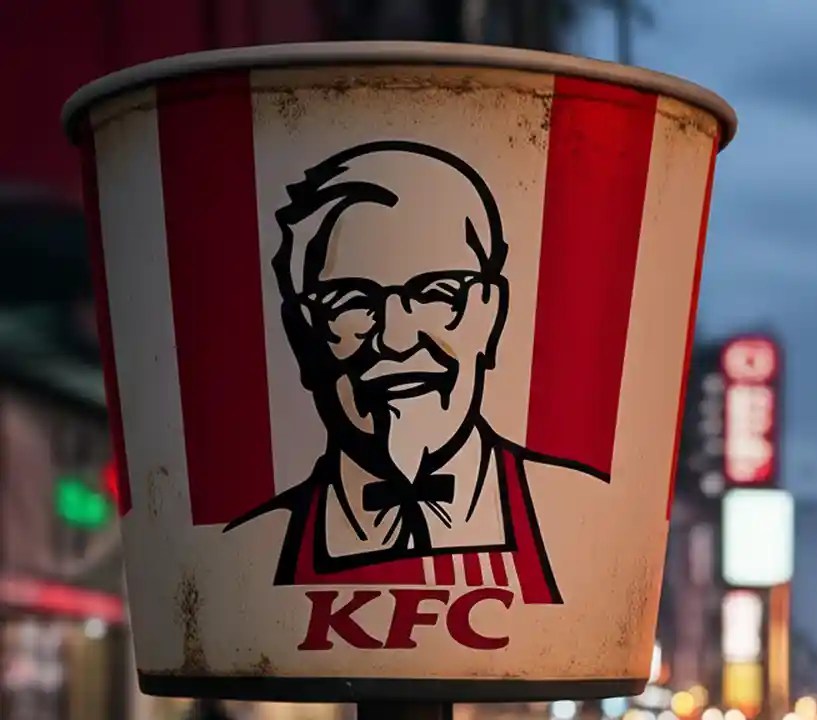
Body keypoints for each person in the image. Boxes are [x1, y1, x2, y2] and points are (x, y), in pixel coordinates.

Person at [225, 141, 606, 603]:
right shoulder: (246, 554)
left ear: (489, 316)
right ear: (304, 337)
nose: (398, 339)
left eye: (437, 292)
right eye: (351, 301)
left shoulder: (585, 520)